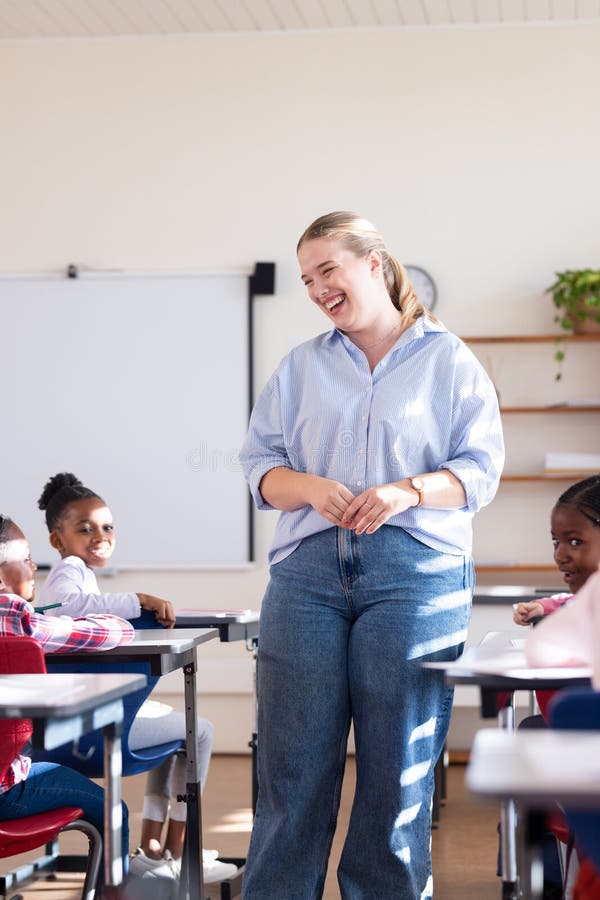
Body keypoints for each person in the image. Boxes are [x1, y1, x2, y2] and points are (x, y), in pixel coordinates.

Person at [239, 211, 504, 899]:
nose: (318, 288)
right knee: (292, 772)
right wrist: (312, 488)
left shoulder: (450, 361)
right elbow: (260, 467)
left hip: (414, 575)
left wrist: (407, 492)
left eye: (329, 269)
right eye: (306, 279)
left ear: (375, 263)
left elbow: (480, 472)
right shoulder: (301, 367)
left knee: (397, 773)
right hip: (306, 577)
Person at [37, 472, 237, 886]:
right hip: (95, 734)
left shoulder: (79, 574)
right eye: (85, 528)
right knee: (197, 730)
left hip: (74, 730)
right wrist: (138, 600)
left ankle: (150, 851)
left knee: (173, 721)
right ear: (58, 541)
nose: (100, 535)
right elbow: (64, 610)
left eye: (107, 527)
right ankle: (180, 853)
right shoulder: (67, 571)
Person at [0, 513, 134, 874]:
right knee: (114, 811)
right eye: (25, 558)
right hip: (5, 793)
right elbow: (108, 633)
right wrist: (116, 620)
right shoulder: (13, 614)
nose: (33, 567)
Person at [513, 475, 600, 716]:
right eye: (555, 541)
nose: (559, 556)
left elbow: (538, 649)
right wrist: (544, 607)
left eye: (575, 541)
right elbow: (570, 602)